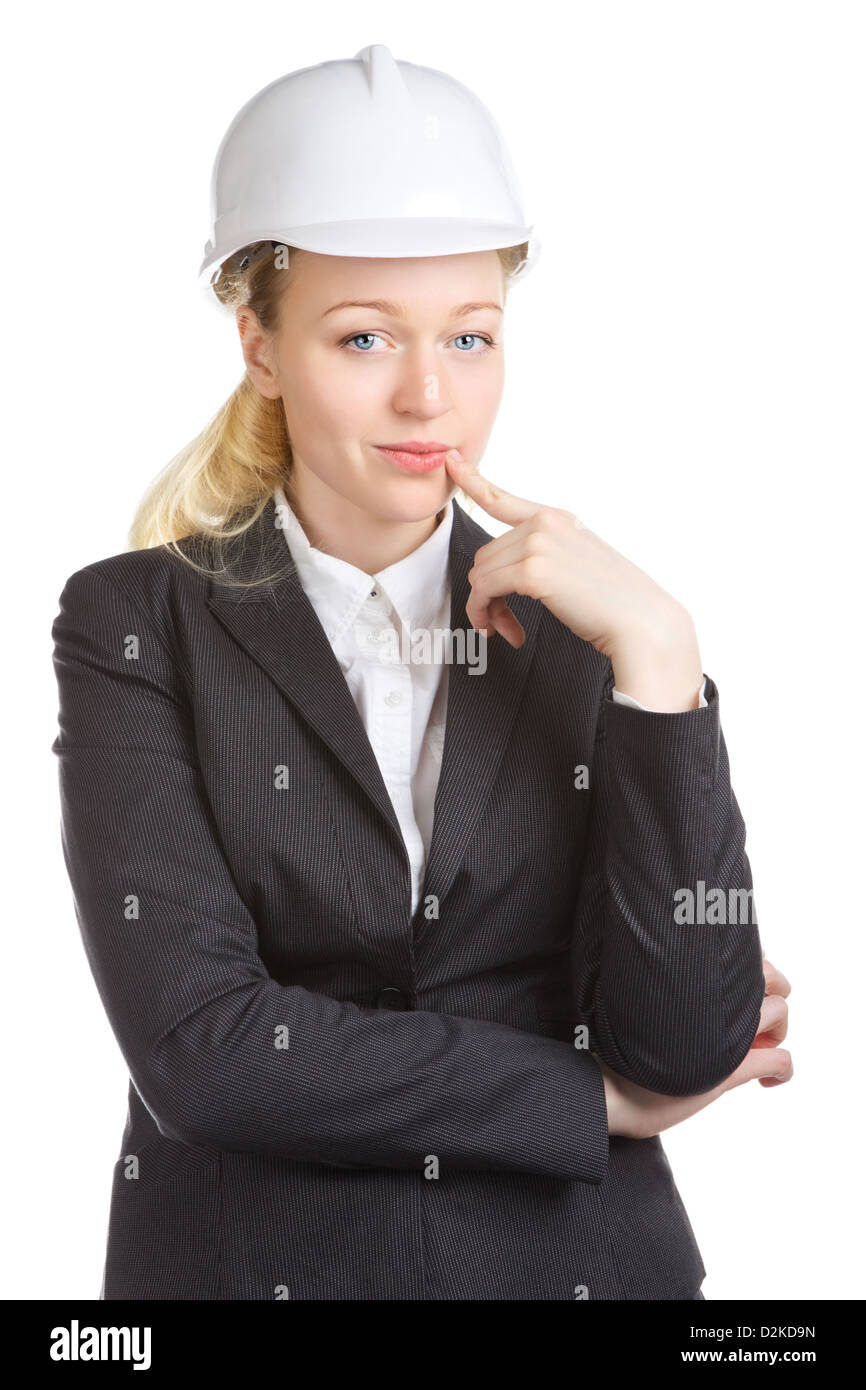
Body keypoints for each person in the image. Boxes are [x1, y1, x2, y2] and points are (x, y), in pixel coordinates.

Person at [51, 45, 792, 1301]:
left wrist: (663, 661)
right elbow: (203, 1052)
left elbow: (682, 1046)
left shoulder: (599, 629)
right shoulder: (134, 623)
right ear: (261, 344)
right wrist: (579, 1092)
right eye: (360, 337)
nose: (426, 394)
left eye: (468, 333)